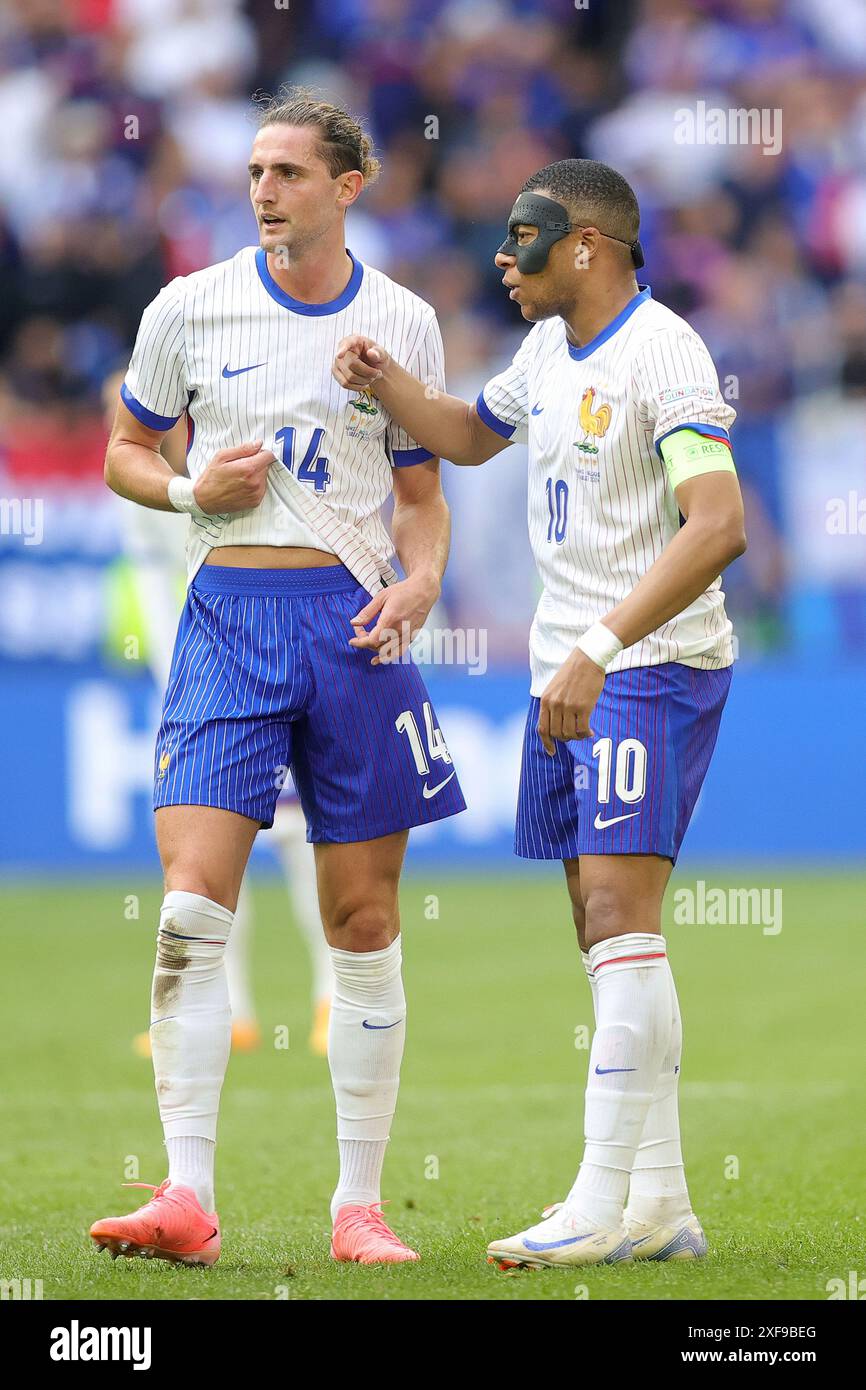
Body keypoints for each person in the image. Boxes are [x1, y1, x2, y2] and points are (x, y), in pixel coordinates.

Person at [332, 158, 746, 1270]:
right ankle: (658, 1203)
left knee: (616, 908)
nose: (501, 260)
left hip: (642, 662)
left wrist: (601, 647)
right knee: (602, 927)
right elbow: (468, 435)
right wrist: (387, 386)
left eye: (523, 240)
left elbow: (716, 524)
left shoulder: (663, 355)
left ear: (586, 248)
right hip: (568, 667)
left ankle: (595, 1200)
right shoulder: (544, 349)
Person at [89, 90, 465, 1269]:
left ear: (347, 188)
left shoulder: (400, 319)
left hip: (352, 626)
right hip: (227, 620)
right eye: (254, 171)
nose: (262, 191)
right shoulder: (189, 308)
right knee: (193, 907)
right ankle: (186, 1196)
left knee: (360, 918)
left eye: (288, 173)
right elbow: (125, 450)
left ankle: (357, 1206)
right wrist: (190, 491)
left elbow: (421, 498)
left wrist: (422, 585)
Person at [101, 370, 334, 1059]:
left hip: (269, 666)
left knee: (297, 838)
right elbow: (155, 584)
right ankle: (229, 1012)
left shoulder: (231, 459)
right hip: (200, 685)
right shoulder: (147, 494)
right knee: (204, 853)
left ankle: (329, 998)